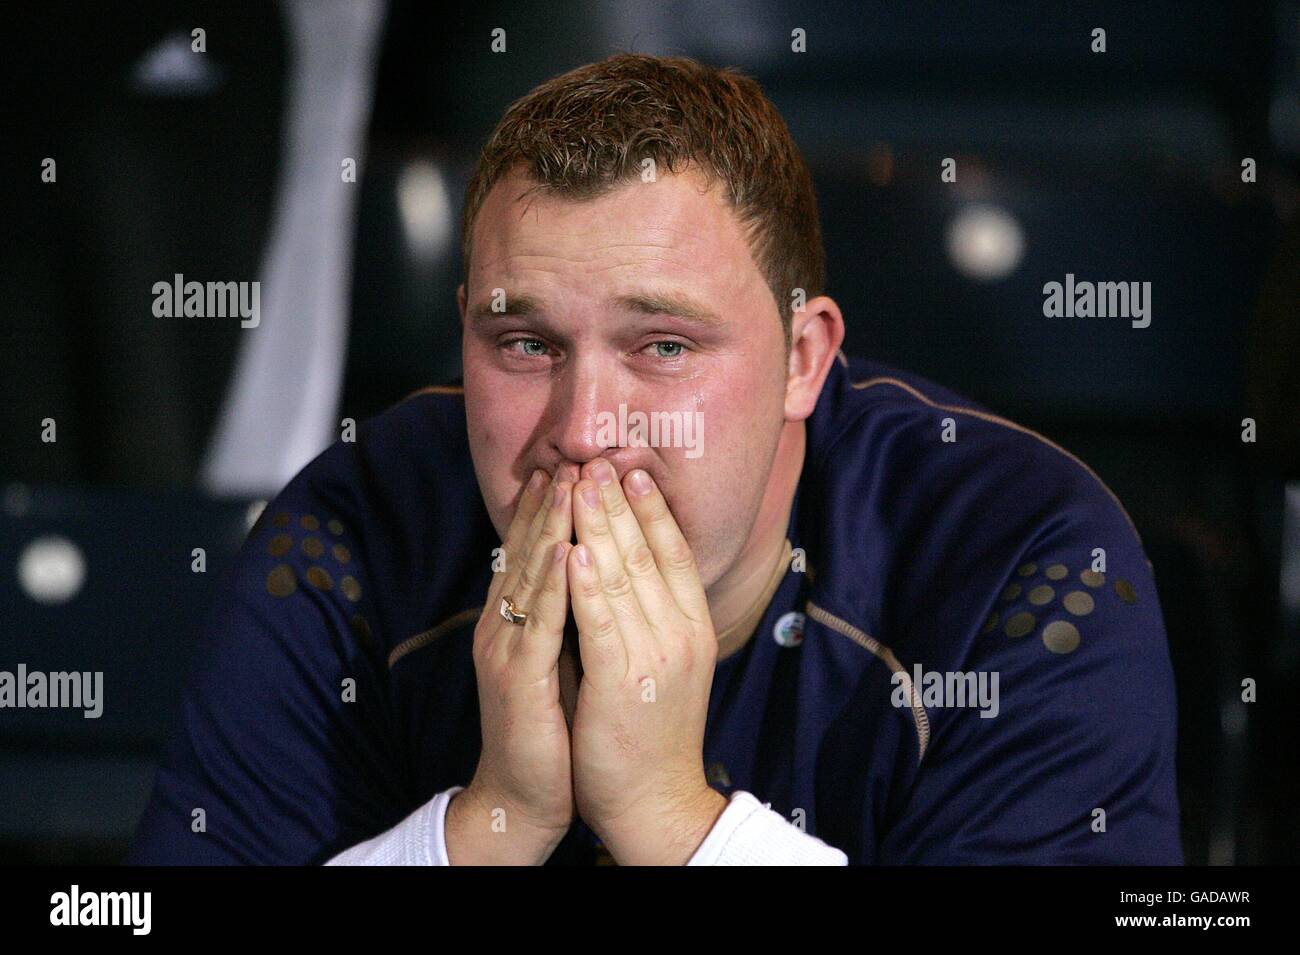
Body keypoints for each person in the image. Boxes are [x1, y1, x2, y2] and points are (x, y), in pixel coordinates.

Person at [126, 53, 1182, 865]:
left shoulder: (1026, 557)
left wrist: (672, 818)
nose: (583, 428)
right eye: (525, 343)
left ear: (802, 361)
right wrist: (488, 823)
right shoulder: (350, 534)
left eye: (663, 347)